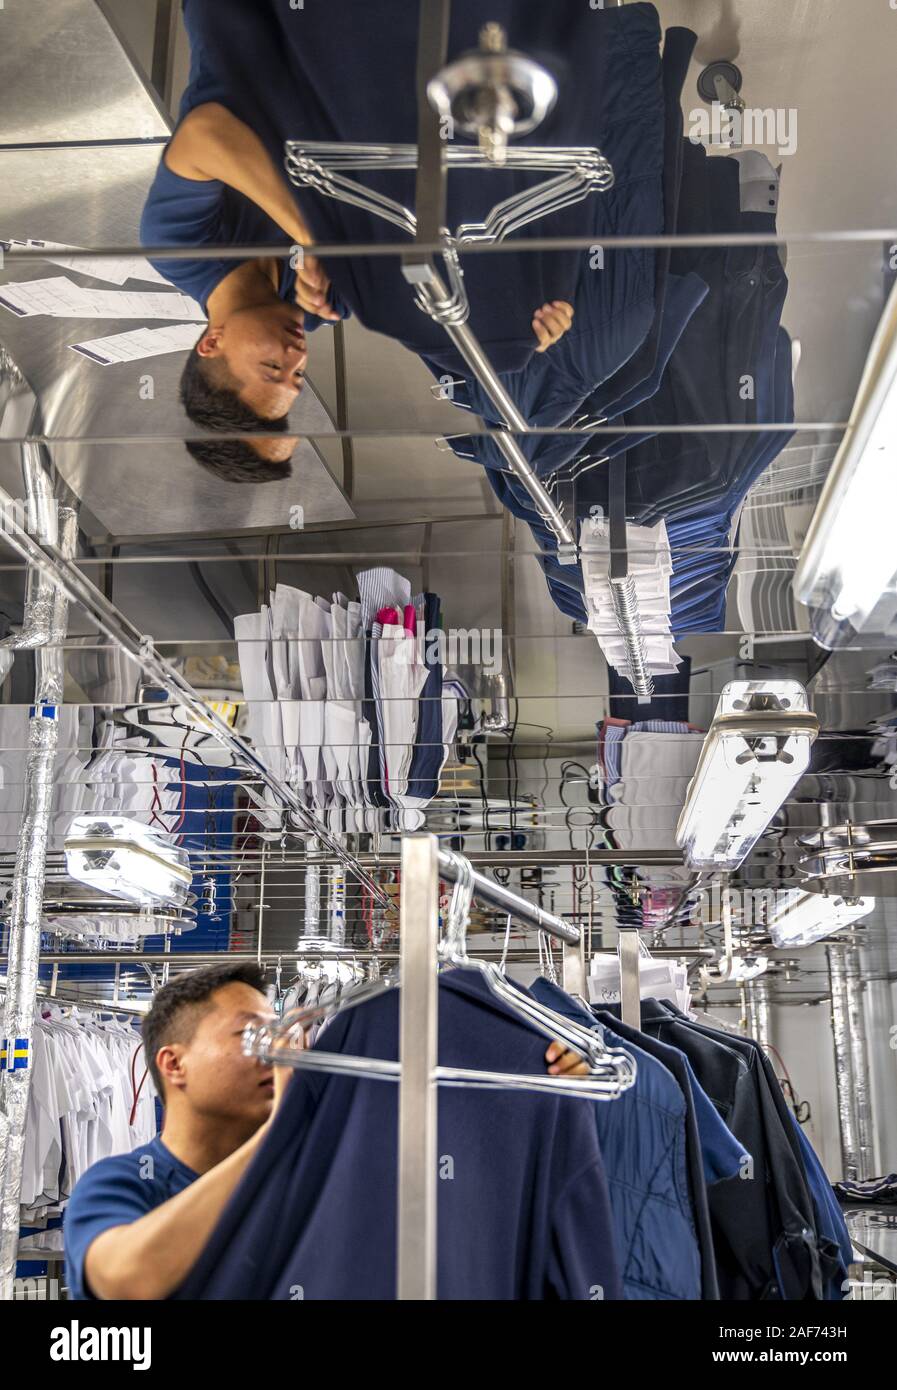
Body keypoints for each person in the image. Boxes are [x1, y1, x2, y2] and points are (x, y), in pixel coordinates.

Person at [141, 0, 664, 484]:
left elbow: (205, 136)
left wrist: (312, 234)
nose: (295, 355)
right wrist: (529, 320)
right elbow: (430, 261)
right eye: (297, 375)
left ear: (212, 344)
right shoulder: (319, 305)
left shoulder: (179, 246)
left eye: (272, 367)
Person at [63, 960, 591, 1300]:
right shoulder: (122, 1184)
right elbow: (128, 1282)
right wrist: (281, 1133)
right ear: (173, 1064)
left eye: (277, 1031)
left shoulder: (318, 1168)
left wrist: (546, 1082)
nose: (277, 1049)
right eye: (251, 1036)